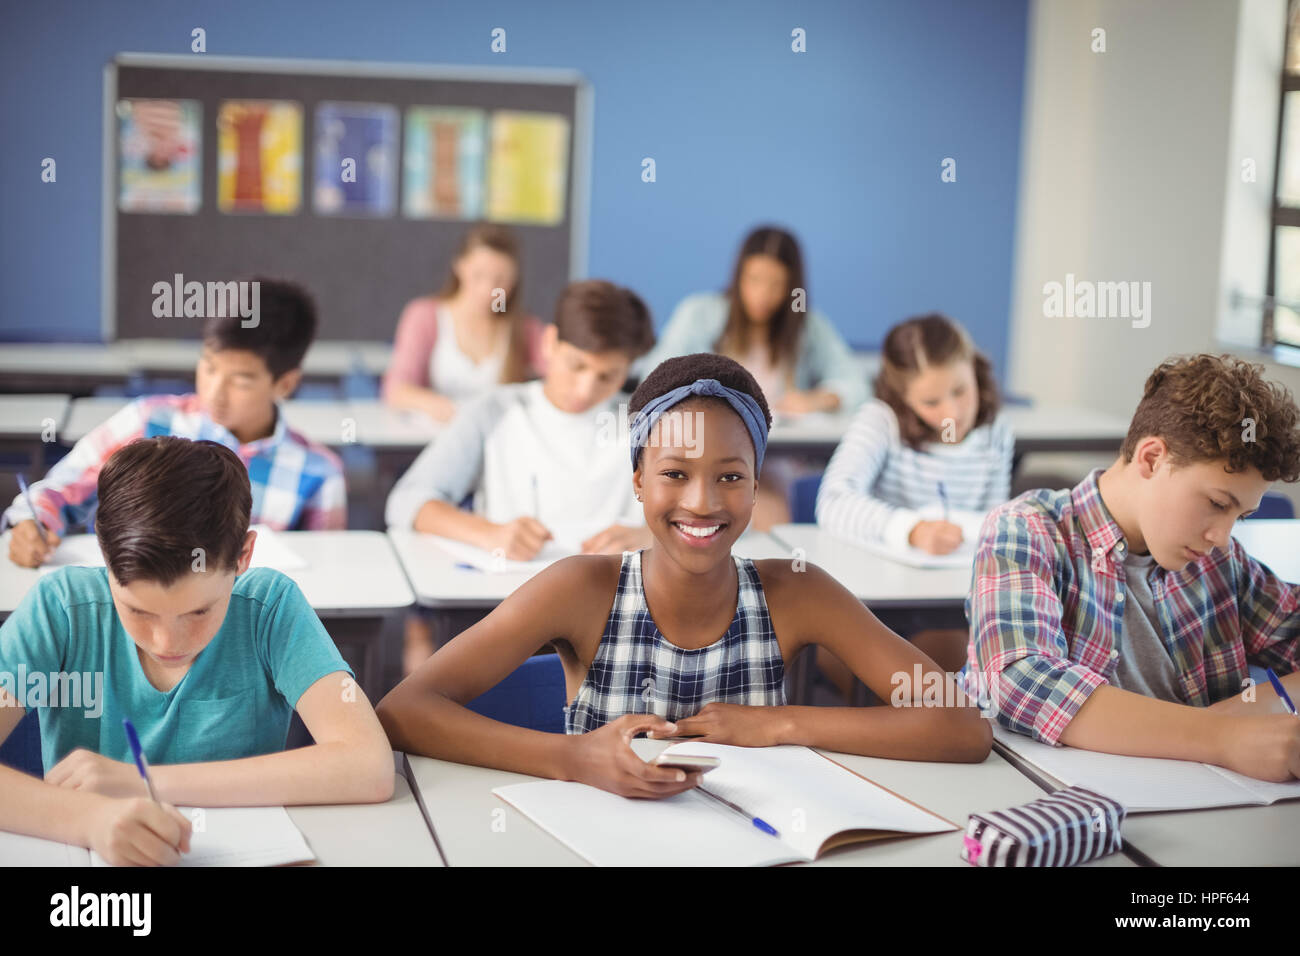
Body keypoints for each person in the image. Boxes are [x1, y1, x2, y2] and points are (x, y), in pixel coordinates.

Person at [377, 353, 990, 798]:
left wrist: (778, 723)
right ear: (638, 480)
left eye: (730, 476)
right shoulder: (580, 589)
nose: (702, 502)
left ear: (757, 486)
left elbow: (958, 726)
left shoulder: (798, 592)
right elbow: (406, 709)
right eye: (674, 473)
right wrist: (574, 757)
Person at [0, 437, 393, 865]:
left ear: (243, 556)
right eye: (138, 611)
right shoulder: (62, 609)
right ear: (105, 553)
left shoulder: (268, 608)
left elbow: (368, 766)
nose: (167, 643)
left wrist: (143, 781)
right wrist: (89, 819)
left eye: (198, 611)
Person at [967, 354, 1300, 782]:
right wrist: (1221, 736)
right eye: (1218, 504)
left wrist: (1238, 715)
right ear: (1151, 459)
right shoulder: (1027, 530)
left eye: (1240, 516)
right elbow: (1025, 684)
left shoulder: (1222, 562)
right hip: (1057, 809)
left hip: (1197, 806)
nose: (1223, 534)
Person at [6, 278, 345, 568]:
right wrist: (31, 524)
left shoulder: (318, 472)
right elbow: (61, 487)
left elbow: (322, 572)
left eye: (240, 380)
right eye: (209, 367)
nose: (215, 391)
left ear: (284, 384)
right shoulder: (148, 421)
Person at [381, 223, 545, 423]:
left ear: (514, 281)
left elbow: (559, 374)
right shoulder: (424, 316)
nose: (489, 289)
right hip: (439, 435)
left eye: (501, 280)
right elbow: (396, 390)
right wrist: (434, 404)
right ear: (459, 266)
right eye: (479, 275)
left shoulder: (525, 328)